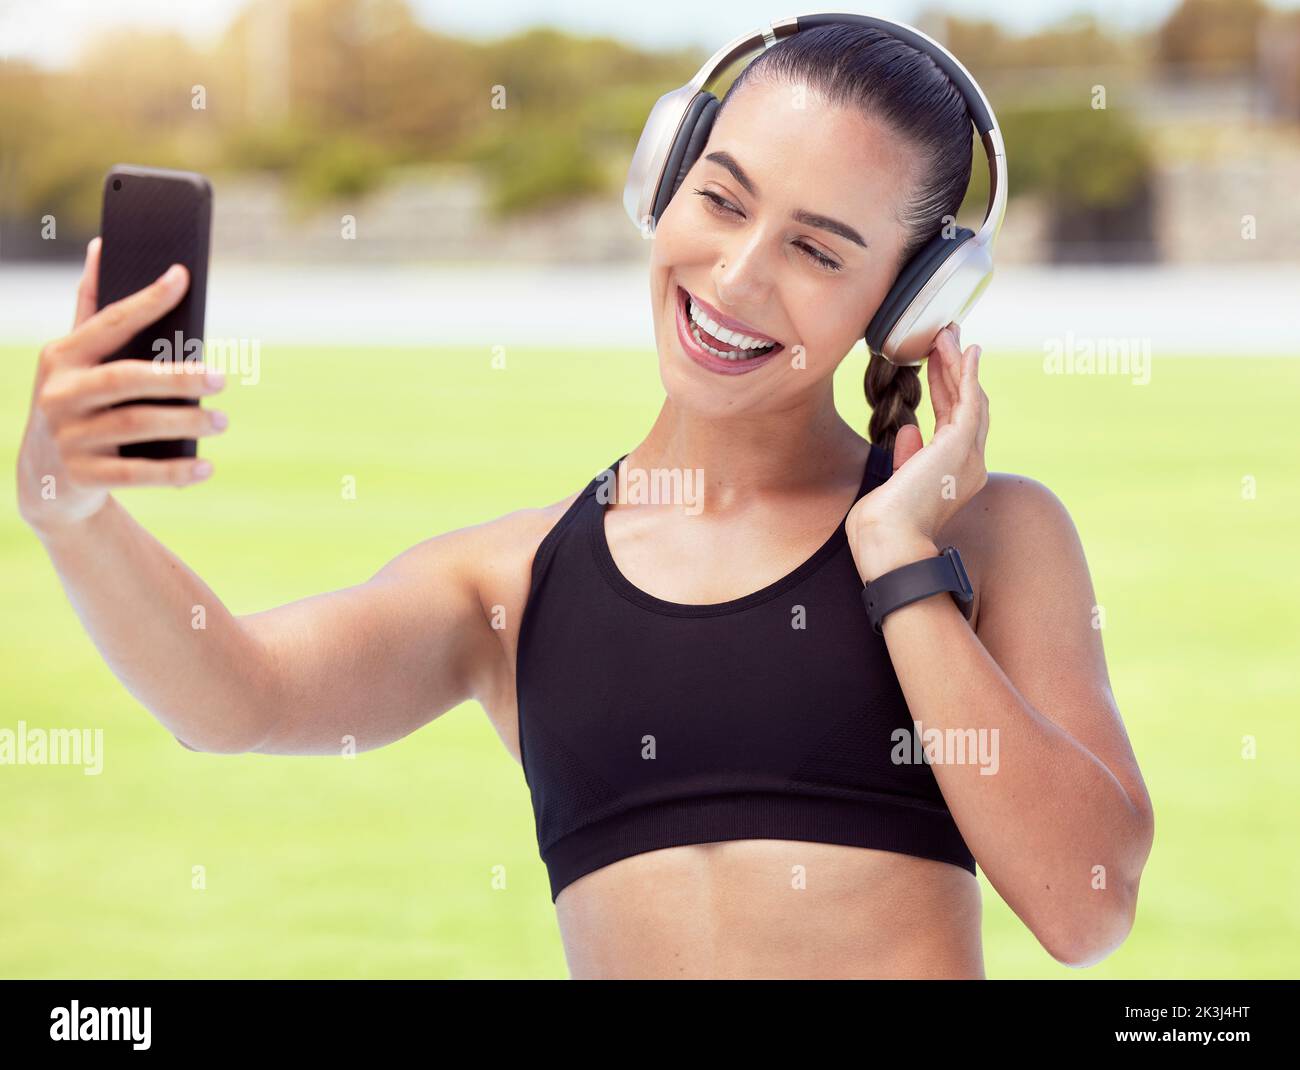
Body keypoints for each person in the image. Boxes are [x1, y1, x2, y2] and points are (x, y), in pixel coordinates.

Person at [16, 22, 1154, 979]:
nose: (737, 275)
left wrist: (899, 558)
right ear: (663, 182)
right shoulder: (511, 585)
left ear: (908, 304)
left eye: (817, 251)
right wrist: (72, 513)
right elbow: (237, 700)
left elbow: (1088, 905)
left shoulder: (987, 538)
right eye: (722, 199)